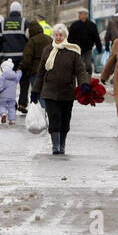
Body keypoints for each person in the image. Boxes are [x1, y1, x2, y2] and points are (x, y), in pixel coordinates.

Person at [34, 24, 89, 155]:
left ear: (65, 36)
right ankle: (56, 146)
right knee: (54, 117)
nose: (58, 37)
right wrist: (35, 91)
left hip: (67, 91)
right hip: (50, 91)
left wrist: (84, 84)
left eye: (61, 35)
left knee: (65, 118)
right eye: (56, 35)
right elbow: (41, 72)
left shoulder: (73, 51)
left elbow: (80, 71)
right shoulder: (47, 50)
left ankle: (63, 144)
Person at [17, 20, 48, 113]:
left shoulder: (31, 41)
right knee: (47, 91)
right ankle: (48, 109)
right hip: (48, 70)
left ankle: (42, 111)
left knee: (37, 92)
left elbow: (27, 58)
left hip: (35, 71)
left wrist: (21, 67)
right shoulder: (49, 39)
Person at [0, 1, 28, 67]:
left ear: (10, 10)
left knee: (8, 76)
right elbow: (29, 40)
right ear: (20, 10)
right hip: (21, 57)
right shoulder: (24, 22)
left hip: (6, 58)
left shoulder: (3, 23)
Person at [0, 60, 22, 125]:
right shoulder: (15, 76)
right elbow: (19, 76)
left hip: (4, 96)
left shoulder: (3, 76)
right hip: (12, 96)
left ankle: (3, 114)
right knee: (12, 108)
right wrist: (19, 71)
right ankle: (12, 120)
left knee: (2, 106)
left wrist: (0, 91)